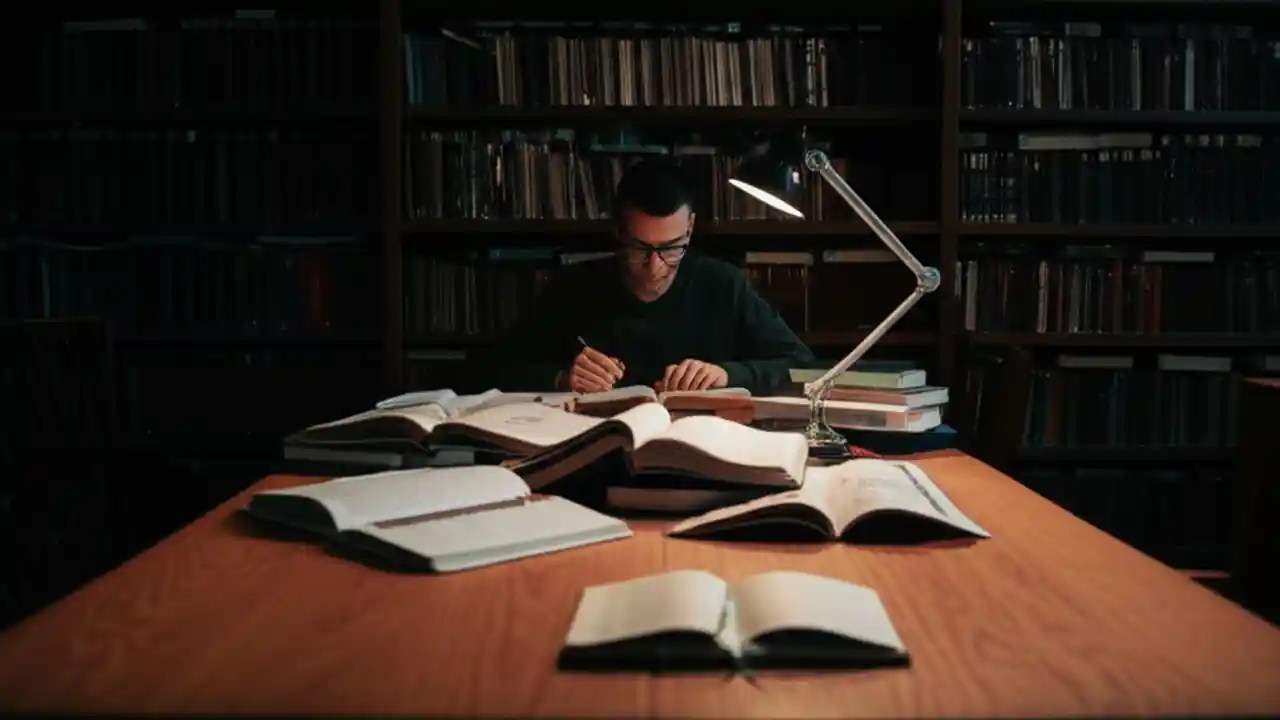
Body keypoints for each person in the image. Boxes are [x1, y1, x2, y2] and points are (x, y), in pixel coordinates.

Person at [480, 158, 816, 396]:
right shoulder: (574, 287)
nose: (655, 267)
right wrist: (561, 378)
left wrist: (728, 374)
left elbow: (802, 366)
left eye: (672, 248)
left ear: (691, 227)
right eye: (640, 248)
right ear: (618, 231)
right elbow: (491, 369)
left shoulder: (723, 285)